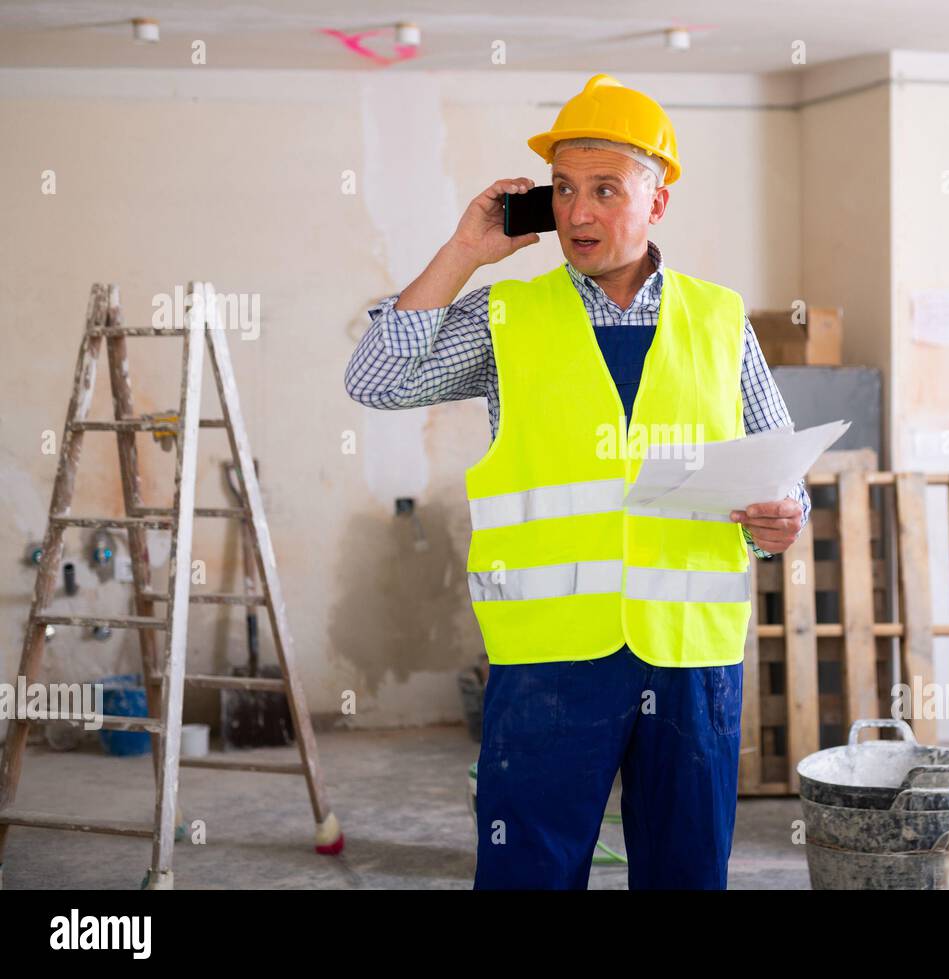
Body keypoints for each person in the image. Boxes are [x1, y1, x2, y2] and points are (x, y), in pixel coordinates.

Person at [345, 73, 809, 889]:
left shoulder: (720, 320)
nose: (578, 212)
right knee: (528, 870)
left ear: (657, 200)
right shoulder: (508, 317)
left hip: (690, 661)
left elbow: (781, 476)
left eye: (605, 189)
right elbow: (376, 377)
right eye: (562, 189)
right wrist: (463, 253)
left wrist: (781, 519)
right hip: (549, 662)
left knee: (687, 872)